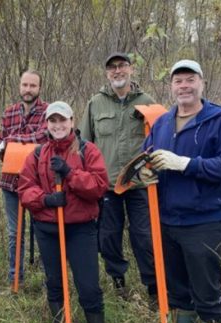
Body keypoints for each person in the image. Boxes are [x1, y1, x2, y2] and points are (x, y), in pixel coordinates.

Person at [142, 60, 221, 323]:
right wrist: (144, 172)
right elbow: (146, 157)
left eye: (189, 80)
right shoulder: (161, 123)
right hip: (168, 221)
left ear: (201, 82)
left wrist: (185, 164)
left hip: (204, 221)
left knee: (207, 291)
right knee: (179, 291)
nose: (184, 86)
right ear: (171, 86)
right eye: (178, 81)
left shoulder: (219, 119)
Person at [18, 102, 110, 323]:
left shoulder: (87, 151)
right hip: (48, 228)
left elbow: (99, 186)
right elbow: (24, 189)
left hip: (81, 229)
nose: (58, 126)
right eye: (52, 121)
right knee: (55, 281)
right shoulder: (37, 155)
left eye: (62, 120)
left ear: (72, 121)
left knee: (88, 284)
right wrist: (46, 200)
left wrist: (70, 173)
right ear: (46, 124)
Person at [79, 52, 157, 306]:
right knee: (108, 237)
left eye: (122, 66)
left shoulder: (147, 102)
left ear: (131, 69)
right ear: (106, 73)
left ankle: (153, 286)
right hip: (108, 186)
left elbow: (159, 140)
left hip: (139, 184)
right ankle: (118, 281)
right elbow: (84, 145)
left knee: (144, 237)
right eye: (112, 67)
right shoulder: (95, 103)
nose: (117, 71)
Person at [0, 70, 49, 283]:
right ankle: (15, 277)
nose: (28, 90)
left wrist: (12, 142)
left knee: (44, 229)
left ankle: (49, 278)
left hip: (38, 183)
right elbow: (1, 143)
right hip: (11, 183)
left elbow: (42, 137)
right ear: (19, 86)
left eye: (32, 86)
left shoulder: (47, 112)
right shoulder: (9, 112)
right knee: (14, 234)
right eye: (25, 85)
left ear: (39, 88)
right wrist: (7, 145)